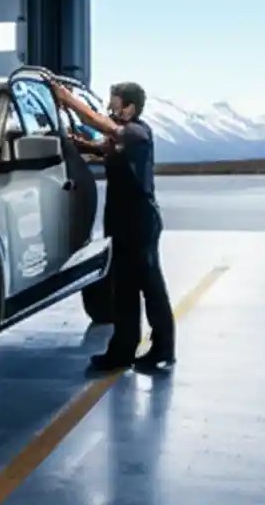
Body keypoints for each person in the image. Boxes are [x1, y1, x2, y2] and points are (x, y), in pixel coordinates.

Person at [48, 78, 175, 374]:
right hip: (122, 221)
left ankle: (163, 349)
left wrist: (66, 98)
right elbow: (103, 147)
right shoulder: (121, 139)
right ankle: (122, 350)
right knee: (126, 287)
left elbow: (102, 125)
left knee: (150, 286)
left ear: (129, 107)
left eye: (114, 103)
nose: (110, 108)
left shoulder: (136, 132)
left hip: (140, 222)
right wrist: (77, 143)